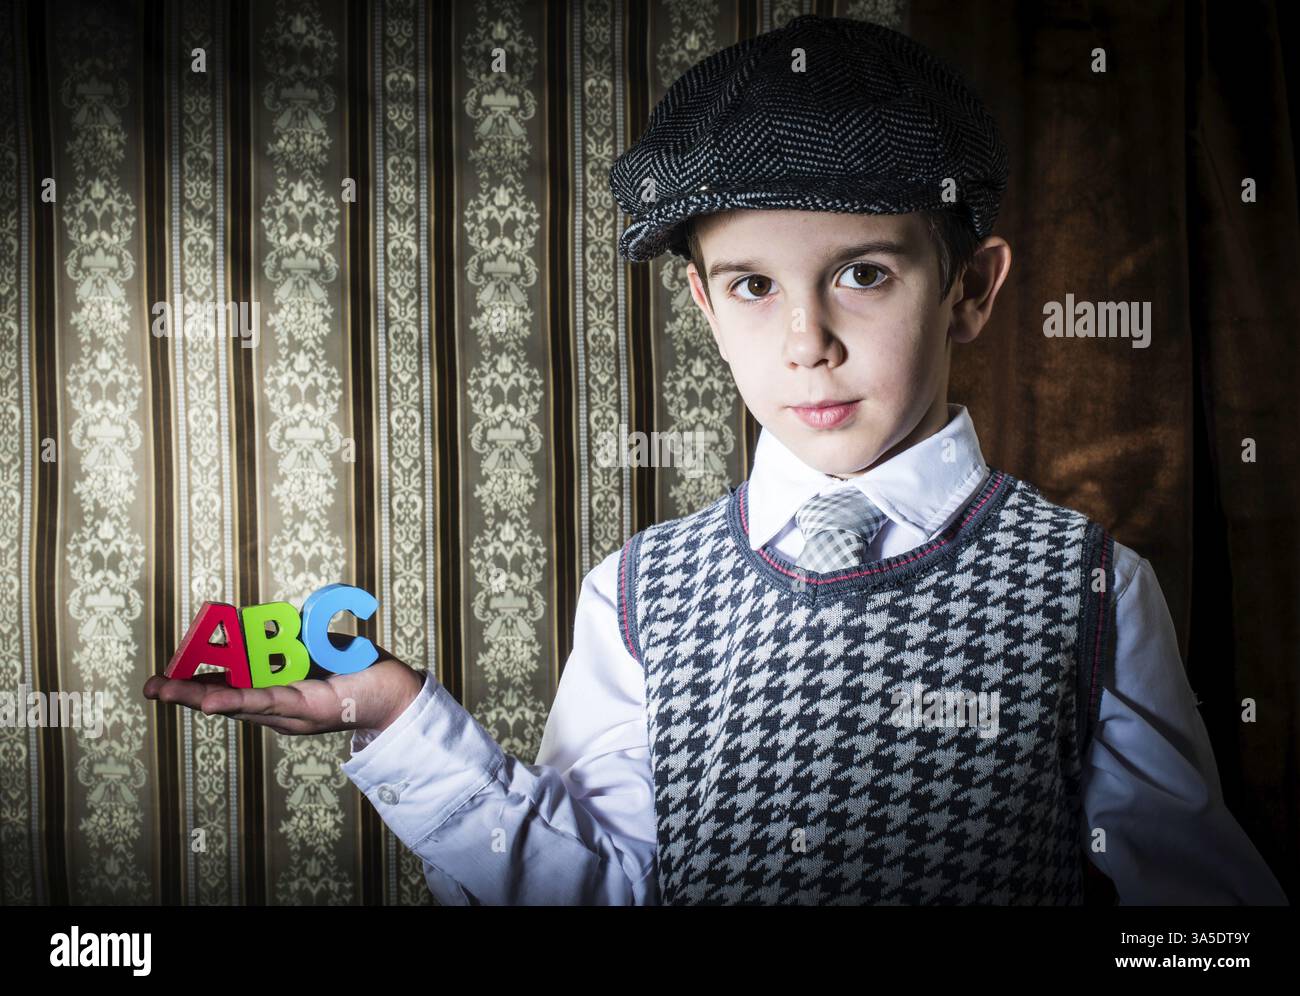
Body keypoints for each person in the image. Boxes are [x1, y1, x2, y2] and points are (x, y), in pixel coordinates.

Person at [144, 14, 1288, 905]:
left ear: (971, 290)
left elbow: (1194, 917)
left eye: (864, 273)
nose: (808, 342)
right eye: (753, 286)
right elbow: (594, 890)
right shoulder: (638, 595)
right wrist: (395, 721)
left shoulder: (1086, 587)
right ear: (701, 300)